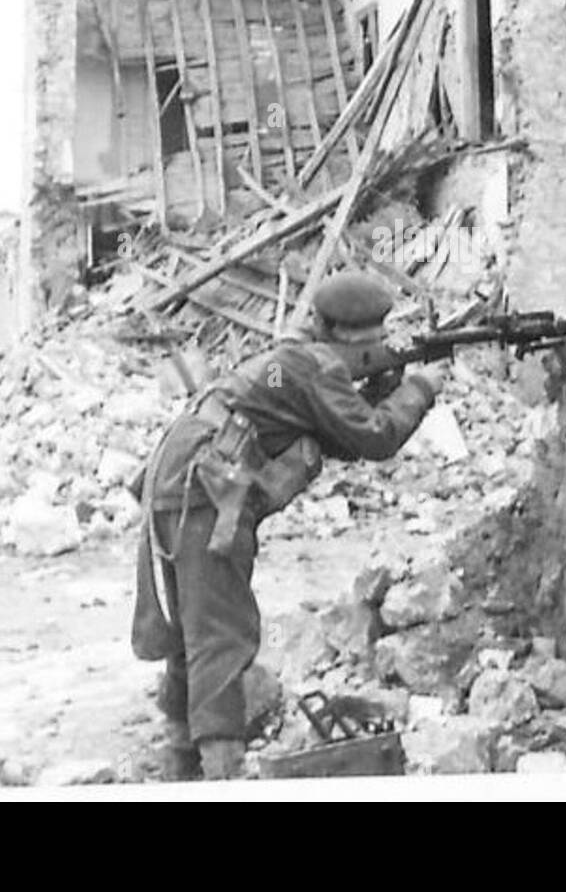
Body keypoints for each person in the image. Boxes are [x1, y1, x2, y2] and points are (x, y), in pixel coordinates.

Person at [129, 271, 445, 781]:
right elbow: (375, 439)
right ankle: (220, 772)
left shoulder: (296, 359)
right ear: (349, 334)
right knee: (221, 632)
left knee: (198, 626)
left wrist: (384, 386)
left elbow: (338, 434)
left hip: (182, 483)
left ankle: (181, 758)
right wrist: (419, 390)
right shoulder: (315, 368)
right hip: (205, 493)